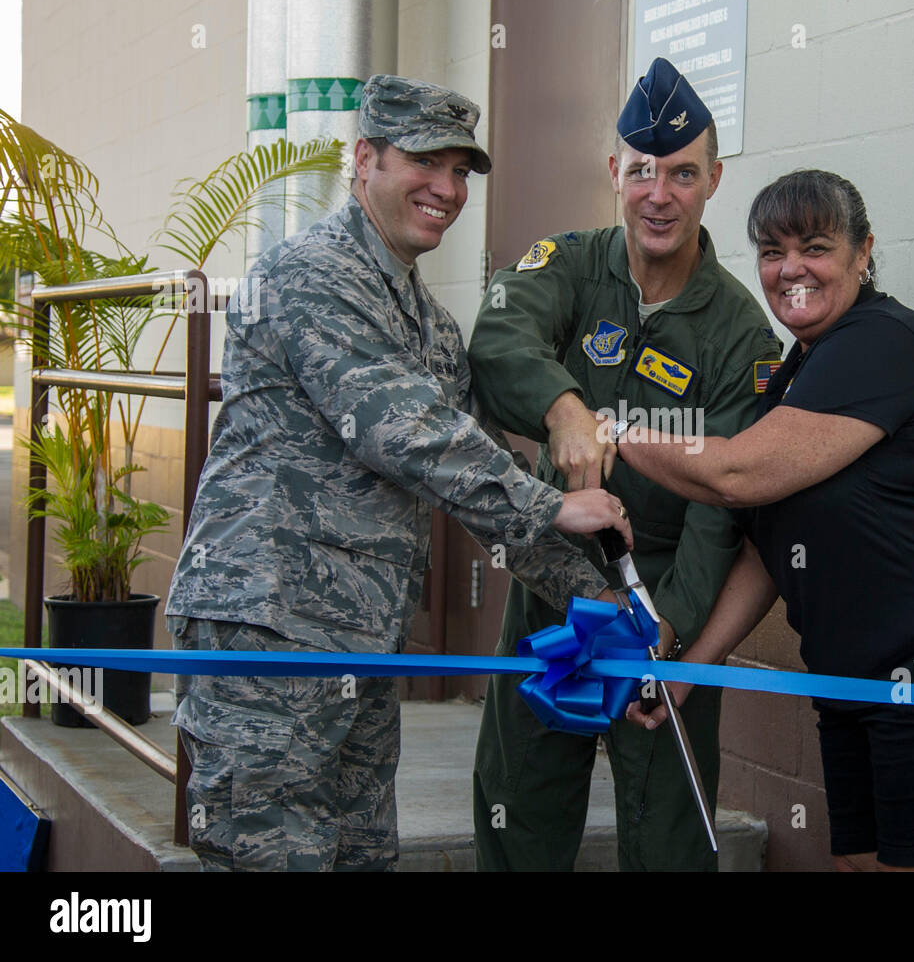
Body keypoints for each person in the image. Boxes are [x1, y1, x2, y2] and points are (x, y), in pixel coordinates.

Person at [164, 74, 632, 872]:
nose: (447, 189)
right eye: (426, 163)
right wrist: (550, 506)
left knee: (359, 860)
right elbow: (401, 430)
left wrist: (612, 610)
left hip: (360, 650)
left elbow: (481, 479)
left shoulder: (430, 326)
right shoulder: (309, 275)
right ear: (366, 159)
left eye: (461, 172)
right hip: (269, 635)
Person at [618, 169, 914, 871]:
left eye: (816, 247)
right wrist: (694, 668)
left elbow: (738, 475)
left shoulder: (882, 341)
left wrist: (607, 432)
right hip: (860, 665)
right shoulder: (800, 370)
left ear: (864, 252)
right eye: (771, 251)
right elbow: (770, 545)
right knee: (858, 862)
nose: (790, 268)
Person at [467, 57, 783, 871]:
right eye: (641, 171)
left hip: (663, 605)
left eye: (682, 173)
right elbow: (498, 340)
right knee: (519, 811)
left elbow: (726, 501)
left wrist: (670, 628)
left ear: (714, 179)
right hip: (550, 591)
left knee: (669, 833)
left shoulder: (742, 333)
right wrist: (563, 406)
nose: (659, 194)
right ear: (615, 172)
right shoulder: (569, 263)